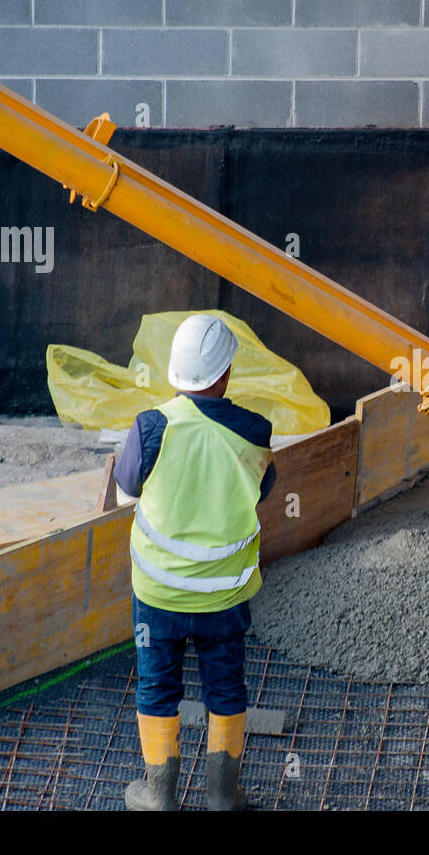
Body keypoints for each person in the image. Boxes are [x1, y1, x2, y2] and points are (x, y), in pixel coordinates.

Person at [114, 313, 276, 811]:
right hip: (224, 598)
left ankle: (157, 793)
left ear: (173, 372)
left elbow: (126, 486)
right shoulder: (254, 431)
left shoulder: (151, 427)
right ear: (225, 373)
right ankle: (223, 795)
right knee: (226, 685)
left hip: (158, 595)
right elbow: (264, 489)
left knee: (157, 685)